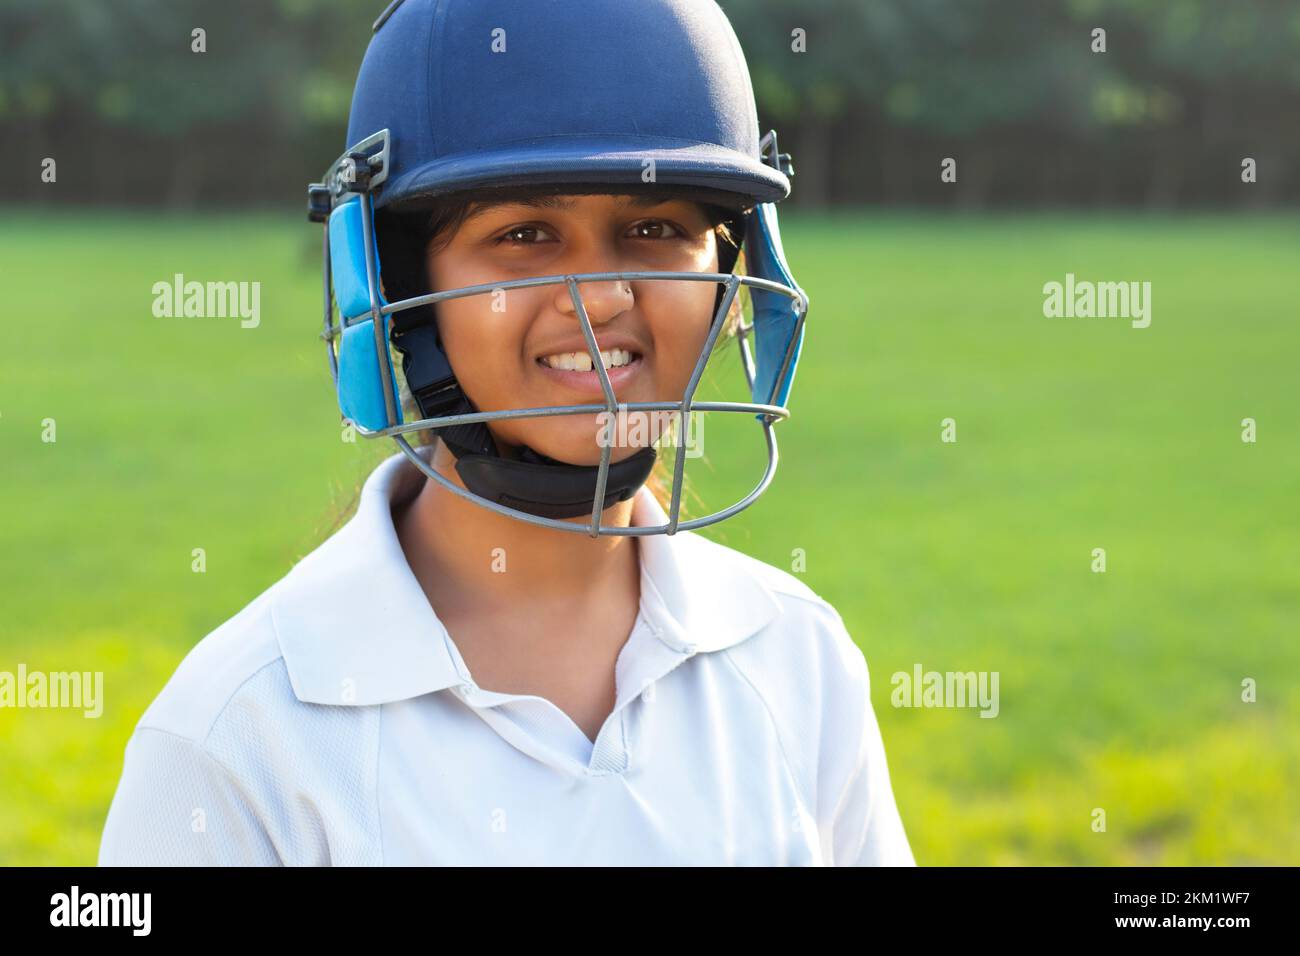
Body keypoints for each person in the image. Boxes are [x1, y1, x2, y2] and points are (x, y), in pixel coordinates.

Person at [98, 0, 914, 866]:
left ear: (729, 271)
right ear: (392, 283)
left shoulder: (796, 656)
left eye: (655, 229)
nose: (603, 299)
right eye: (524, 234)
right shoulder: (239, 735)